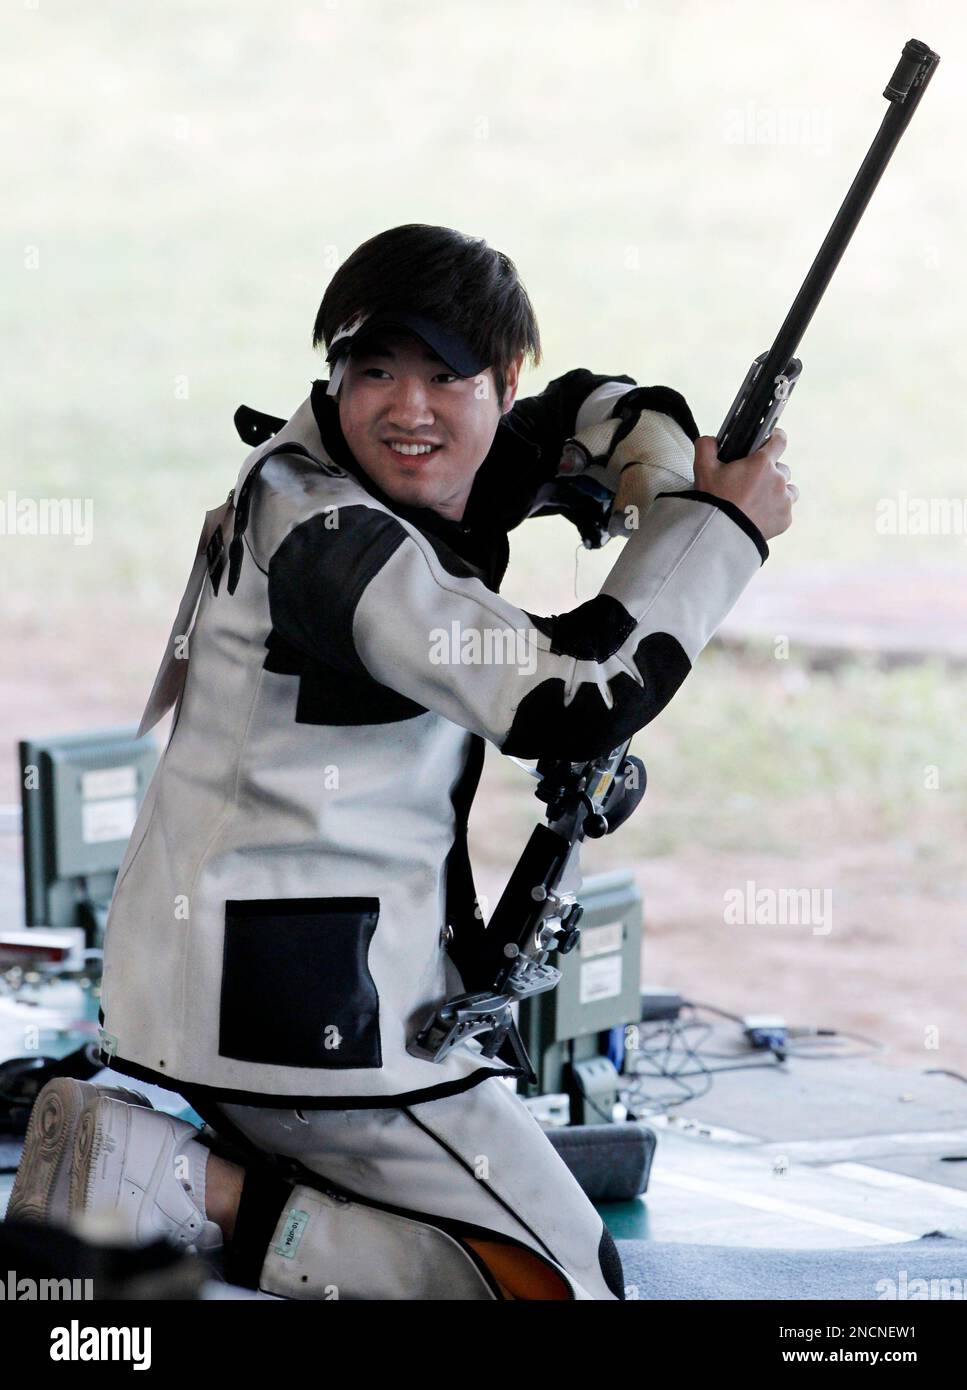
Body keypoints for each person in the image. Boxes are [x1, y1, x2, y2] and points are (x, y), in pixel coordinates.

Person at [8, 224, 797, 1299]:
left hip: (258, 989)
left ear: (497, 381)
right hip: (302, 1021)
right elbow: (570, 694)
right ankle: (178, 1186)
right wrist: (715, 529)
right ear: (331, 373)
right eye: (371, 369)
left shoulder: (371, 471)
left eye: (442, 375)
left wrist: (648, 458)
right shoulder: (328, 532)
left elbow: (574, 412)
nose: (406, 407)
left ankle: (174, 1185)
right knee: (556, 1287)